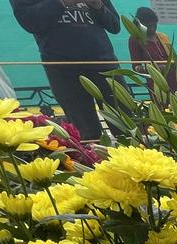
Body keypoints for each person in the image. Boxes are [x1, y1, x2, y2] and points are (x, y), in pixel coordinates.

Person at [10, 0, 121, 142]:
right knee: (86, 135)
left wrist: (97, 5)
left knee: (126, 126)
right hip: (64, 68)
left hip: (104, 63)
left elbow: (114, 26)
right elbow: (30, 21)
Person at [128, 6, 177, 93]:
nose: (151, 25)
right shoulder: (135, 40)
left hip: (173, 79)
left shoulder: (163, 37)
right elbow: (136, 67)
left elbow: (174, 60)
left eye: (153, 22)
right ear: (139, 24)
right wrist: (154, 69)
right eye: (147, 23)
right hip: (156, 83)